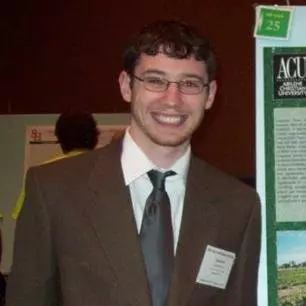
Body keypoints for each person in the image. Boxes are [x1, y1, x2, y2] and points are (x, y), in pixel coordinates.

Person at [6, 20, 261, 306]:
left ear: (210, 95)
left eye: (189, 84)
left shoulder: (238, 206)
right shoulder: (54, 191)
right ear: (127, 86)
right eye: (155, 80)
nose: (172, 100)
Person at [11, 110, 99, 219]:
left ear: (60, 138)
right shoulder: (112, 171)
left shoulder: (38, 175)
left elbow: (24, 220)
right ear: (95, 137)